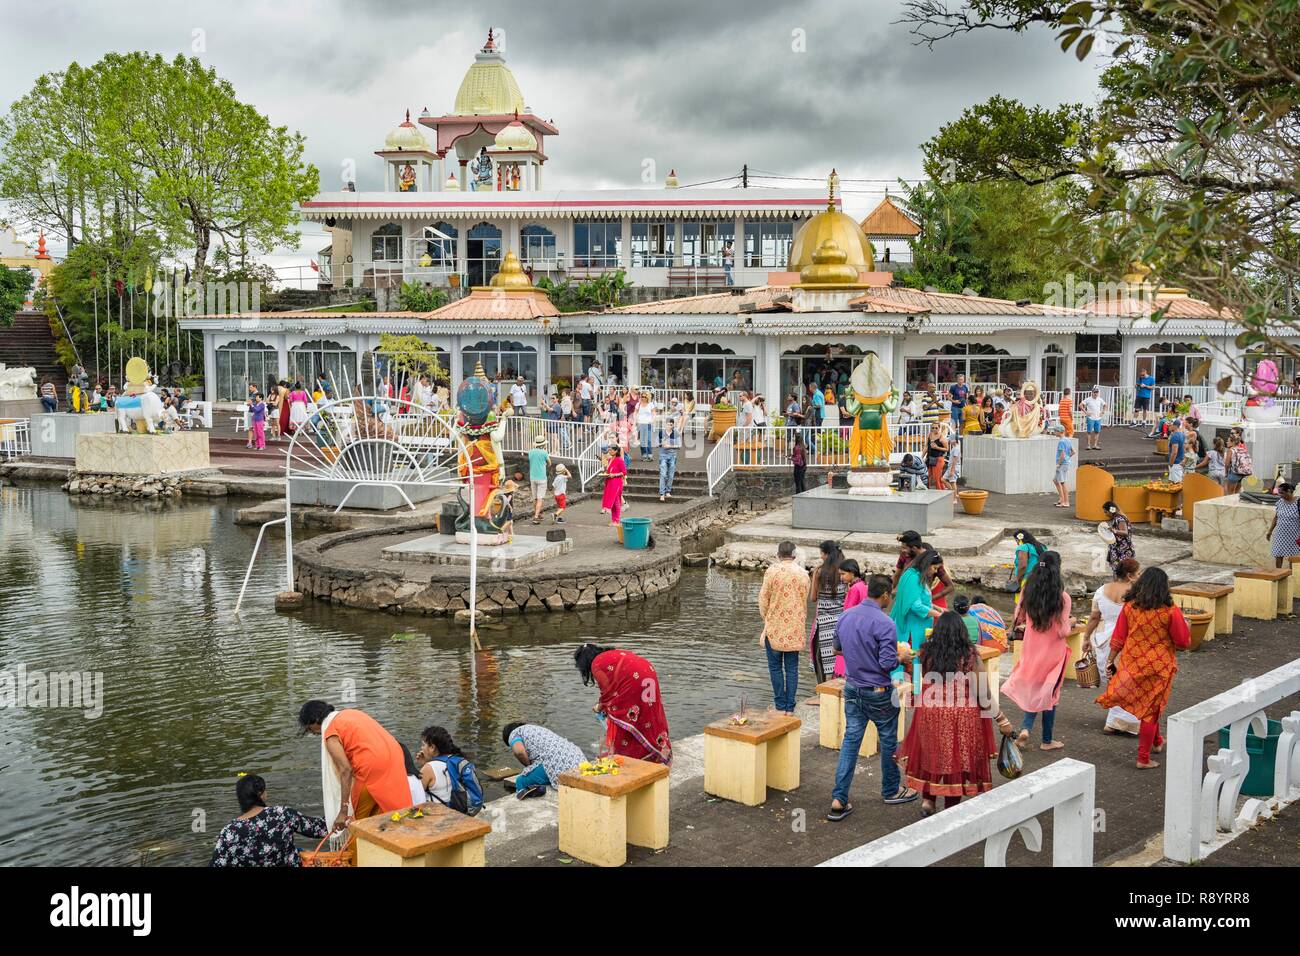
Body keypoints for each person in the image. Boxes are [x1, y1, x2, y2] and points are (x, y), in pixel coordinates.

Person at [896, 612, 1016, 815]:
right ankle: (950, 807)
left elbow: (922, 677)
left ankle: (928, 801)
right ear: (962, 631)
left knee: (931, 754)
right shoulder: (969, 655)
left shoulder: (926, 652)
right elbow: (983, 693)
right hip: (961, 716)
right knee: (957, 760)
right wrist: (1001, 719)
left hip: (931, 712)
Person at [827, 573, 919, 819]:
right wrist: (903, 657)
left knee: (850, 742)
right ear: (886, 594)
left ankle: (839, 798)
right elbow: (888, 663)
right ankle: (890, 790)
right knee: (889, 740)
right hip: (878, 691)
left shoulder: (846, 615)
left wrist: (859, 651)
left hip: (852, 687)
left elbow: (836, 649)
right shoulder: (885, 623)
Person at [1094, 568, 1191, 768]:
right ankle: (1143, 758)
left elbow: (1119, 637)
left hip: (1132, 663)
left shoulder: (1130, 607)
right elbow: (1183, 642)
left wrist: (1110, 660)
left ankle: (1157, 742)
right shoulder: (1170, 611)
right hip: (1159, 666)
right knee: (1152, 709)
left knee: (1147, 705)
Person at [297, 701, 413, 844]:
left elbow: (345, 770)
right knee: (385, 818)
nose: (313, 732)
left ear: (315, 719)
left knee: (355, 825)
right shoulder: (352, 713)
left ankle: (355, 860)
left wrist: (343, 811)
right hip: (394, 761)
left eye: (310, 728)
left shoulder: (330, 733)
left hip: (370, 770)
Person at [1004, 552, 1072, 752]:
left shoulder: (1028, 590)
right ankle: (1047, 740)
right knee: (1050, 694)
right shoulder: (1063, 598)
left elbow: (1019, 616)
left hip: (1031, 648)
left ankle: (1026, 728)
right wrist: (1072, 622)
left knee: (1034, 688)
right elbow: (1063, 631)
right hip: (1053, 653)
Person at [573, 644, 672, 763]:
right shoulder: (612, 654)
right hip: (648, 672)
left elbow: (608, 693)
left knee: (618, 712)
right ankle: (656, 750)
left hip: (636, 682)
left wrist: (600, 706)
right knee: (649, 715)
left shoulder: (596, 664)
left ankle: (632, 755)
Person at [1080, 557, 1142, 736]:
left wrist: (1086, 638)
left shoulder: (1101, 590)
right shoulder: (1137, 593)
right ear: (1130, 576)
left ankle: (1117, 719)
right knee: (1129, 680)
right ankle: (1116, 722)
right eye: (1138, 574)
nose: (1139, 577)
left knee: (1113, 680)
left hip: (1104, 640)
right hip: (1128, 640)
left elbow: (1094, 617)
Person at [209, 774, 329, 867]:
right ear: (261, 794)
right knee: (298, 852)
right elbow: (321, 829)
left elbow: (217, 864)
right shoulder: (281, 814)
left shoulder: (229, 831)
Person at [758, 540, 810, 713]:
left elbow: (763, 599)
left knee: (775, 668)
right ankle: (790, 706)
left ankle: (780, 705)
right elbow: (804, 599)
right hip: (794, 628)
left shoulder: (772, 572)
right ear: (794, 555)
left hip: (774, 628)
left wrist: (767, 618)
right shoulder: (803, 574)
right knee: (792, 668)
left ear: (779, 555)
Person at [891, 549, 943, 691]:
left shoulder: (917, 576)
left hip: (918, 626)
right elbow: (915, 605)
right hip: (910, 628)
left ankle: (915, 690)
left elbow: (922, 600)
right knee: (910, 657)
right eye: (934, 568)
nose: (935, 572)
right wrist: (937, 615)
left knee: (917, 658)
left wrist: (937, 608)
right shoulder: (913, 577)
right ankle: (911, 692)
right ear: (927, 564)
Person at [503, 722, 586, 799]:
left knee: (521, 781)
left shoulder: (514, 733)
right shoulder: (533, 728)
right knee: (538, 772)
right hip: (578, 759)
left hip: (555, 761)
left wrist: (527, 764)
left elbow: (519, 752)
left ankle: (531, 798)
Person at [808, 541, 846, 683]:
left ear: (827, 554)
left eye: (822, 553)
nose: (821, 556)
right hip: (840, 620)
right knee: (837, 658)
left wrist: (814, 578)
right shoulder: (844, 572)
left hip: (823, 622)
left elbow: (813, 598)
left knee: (821, 659)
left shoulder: (819, 572)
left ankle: (821, 693)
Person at [1267, 482, 1300, 568]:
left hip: (1294, 535)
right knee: (1278, 554)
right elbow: (1276, 517)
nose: (1280, 495)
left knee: (1292, 556)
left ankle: (1292, 574)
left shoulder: (1298, 503)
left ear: (1289, 491)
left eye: (1282, 493)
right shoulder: (1280, 502)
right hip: (1280, 534)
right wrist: (1270, 531)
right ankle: (1278, 573)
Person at [1010, 529, 1046, 600]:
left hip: (1027, 580)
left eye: (1016, 540)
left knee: (1023, 604)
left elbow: (1023, 566)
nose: (1016, 542)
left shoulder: (1023, 547)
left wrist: (1018, 580)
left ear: (1019, 539)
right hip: (1041, 579)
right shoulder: (1042, 546)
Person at [1101, 500, 1136, 570]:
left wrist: (1114, 530)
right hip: (1119, 549)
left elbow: (1125, 532)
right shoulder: (1117, 518)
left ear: (1111, 511)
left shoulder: (1119, 519)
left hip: (1122, 550)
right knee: (1120, 571)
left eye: (1106, 512)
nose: (1105, 514)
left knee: (1121, 572)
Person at [599, 446, 627, 527]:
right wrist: (606, 474)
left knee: (616, 501)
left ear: (616, 451)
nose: (609, 451)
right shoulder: (611, 459)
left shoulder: (619, 460)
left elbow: (624, 472)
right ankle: (613, 520)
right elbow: (608, 470)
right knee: (613, 503)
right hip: (610, 482)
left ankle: (617, 520)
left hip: (616, 483)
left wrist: (614, 475)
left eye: (611, 450)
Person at [527, 434, 549, 524]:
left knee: (535, 498)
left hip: (533, 477)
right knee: (540, 498)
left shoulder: (531, 452)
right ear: (543, 444)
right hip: (542, 477)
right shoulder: (544, 452)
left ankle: (537, 513)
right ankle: (536, 517)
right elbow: (549, 462)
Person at [658, 415, 681, 501]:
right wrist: (662, 444)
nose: (669, 426)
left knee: (671, 475)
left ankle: (668, 491)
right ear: (665, 425)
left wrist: (670, 446)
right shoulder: (661, 433)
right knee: (663, 474)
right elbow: (657, 444)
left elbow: (679, 446)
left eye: (671, 424)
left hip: (672, 456)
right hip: (663, 456)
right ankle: (662, 493)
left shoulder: (676, 433)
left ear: (673, 425)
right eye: (668, 424)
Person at [1051, 422, 1073, 507]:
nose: (1054, 432)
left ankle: (1066, 502)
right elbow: (1073, 452)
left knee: (1062, 482)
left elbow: (1062, 455)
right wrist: (1067, 458)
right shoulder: (1067, 440)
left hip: (1062, 464)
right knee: (1055, 480)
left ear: (1060, 432)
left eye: (1055, 431)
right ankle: (1061, 499)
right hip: (1065, 463)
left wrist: (1058, 464)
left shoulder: (1061, 442)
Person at [1224, 427, 1252, 494]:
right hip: (1243, 474)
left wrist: (1226, 473)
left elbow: (1227, 463)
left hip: (1234, 473)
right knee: (1237, 493)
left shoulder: (1231, 450)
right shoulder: (1242, 448)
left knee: (1230, 493)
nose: (1226, 442)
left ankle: (1230, 504)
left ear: (1232, 442)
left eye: (1228, 441)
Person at [926, 421, 950, 490]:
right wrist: (922, 457)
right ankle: (927, 490)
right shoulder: (930, 435)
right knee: (928, 475)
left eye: (936, 428)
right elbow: (926, 447)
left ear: (939, 428)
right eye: (933, 428)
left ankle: (941, 492)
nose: (934, 429)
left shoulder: (942, 437)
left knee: (937, 478)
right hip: (930, 458)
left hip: (938, 458)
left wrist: (937, 447)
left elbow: (947, 449)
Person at [636, 390, 657, 458]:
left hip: (648, 424)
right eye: (642, 396)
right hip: (640, 424)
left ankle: (650, 454)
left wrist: (652, 420)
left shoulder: (651, 404)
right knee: (642, 441)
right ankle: (644, 454)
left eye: (645, 397)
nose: (643, 398)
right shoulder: (638, 404)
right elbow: (635, 413)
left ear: (648, 397)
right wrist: (635, 420)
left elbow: (654, 413)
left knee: (648, 440)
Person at [1167, 416, 1187, 482]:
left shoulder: (1175, 436)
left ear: (1175, 426)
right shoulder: (1182, 434)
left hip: (1175, 463)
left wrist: (1171, 463)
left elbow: (1174, 452)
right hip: (1180, 461)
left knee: (1176, 484)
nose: (1168, 426)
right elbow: (1184, 449)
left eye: (1170, 424)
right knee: (1173, 483)